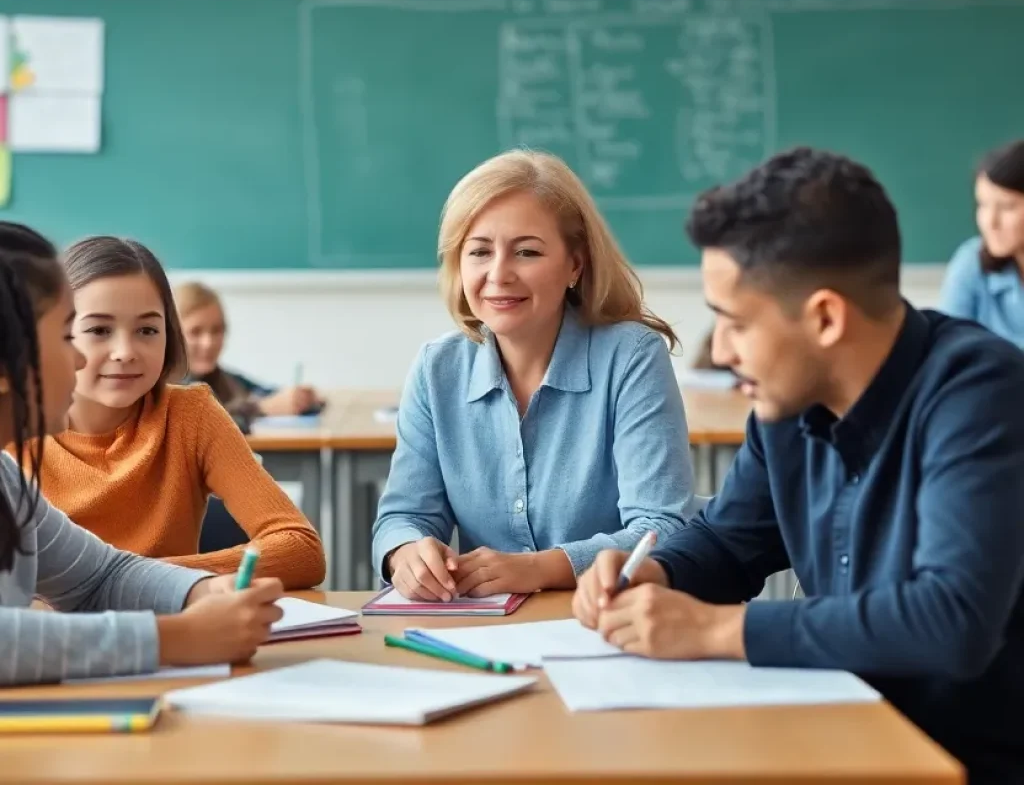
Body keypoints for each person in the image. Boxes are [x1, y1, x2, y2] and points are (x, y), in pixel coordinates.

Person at [573, 147, 1024, 785]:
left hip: (964, 761)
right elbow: (728, 542)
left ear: (825, 318)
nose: (721, 351)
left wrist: (718, 630)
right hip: (842, 735)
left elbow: (951, 620)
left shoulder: (981, 394)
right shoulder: (786, 406)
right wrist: (658, 573)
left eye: (735, 322)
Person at [372, 149, 693, 600]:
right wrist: (405, 552)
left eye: (526, 252)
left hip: (608, 617)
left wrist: (538, 569)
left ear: (575, 264)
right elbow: (403, 516)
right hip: (482, 628)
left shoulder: (631, 356)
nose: (498, 274)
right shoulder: (436, 368)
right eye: (479, 252)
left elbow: (661, 528)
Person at [0, 221, 284, 686]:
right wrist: (177, 638)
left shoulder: (6, 480)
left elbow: (99, 577)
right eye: (67, 336)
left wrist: (200, 590)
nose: (79, 358)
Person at [37, 236, 325, 588]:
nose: (125, 351)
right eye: (99, 330)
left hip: (173, 623)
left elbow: (301, 550)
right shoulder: (15, 427)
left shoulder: (190, 415)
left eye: (147, 330)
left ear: (169, 335)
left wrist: (135, 579)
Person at [174, 281, 323, 433]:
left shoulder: (227, 380)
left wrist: (300, 399)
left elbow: (266, 393)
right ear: (173, 334)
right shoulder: (167, 387)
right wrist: (262, 408)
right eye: (195, 332)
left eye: (217, 330)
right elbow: (199, 425)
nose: (208, 343)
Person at [939, 138, 1024, 348]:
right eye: (983, 205)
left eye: (1007, 207)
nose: (990, 222)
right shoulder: (971, 261)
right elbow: (946, 351)